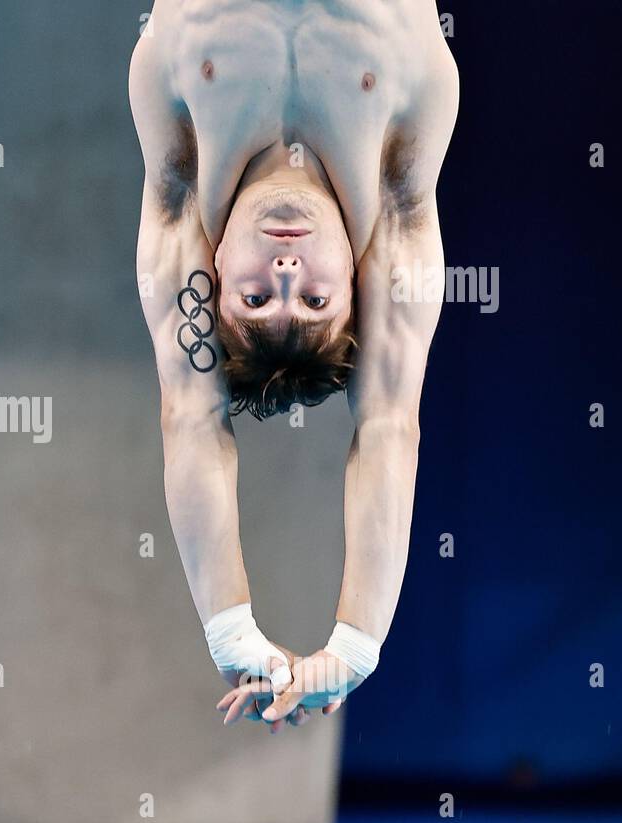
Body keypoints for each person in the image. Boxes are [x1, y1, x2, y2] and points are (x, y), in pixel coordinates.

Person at [130, 0, 459, 730]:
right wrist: (356, 639)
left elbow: (190, 413)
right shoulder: (396, 205)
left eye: (255, 294)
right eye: (313, 296)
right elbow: (386, 425)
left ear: (210, 277)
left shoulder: (184, 198)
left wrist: (230, 626)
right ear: (357, 282)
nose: (285, 266)